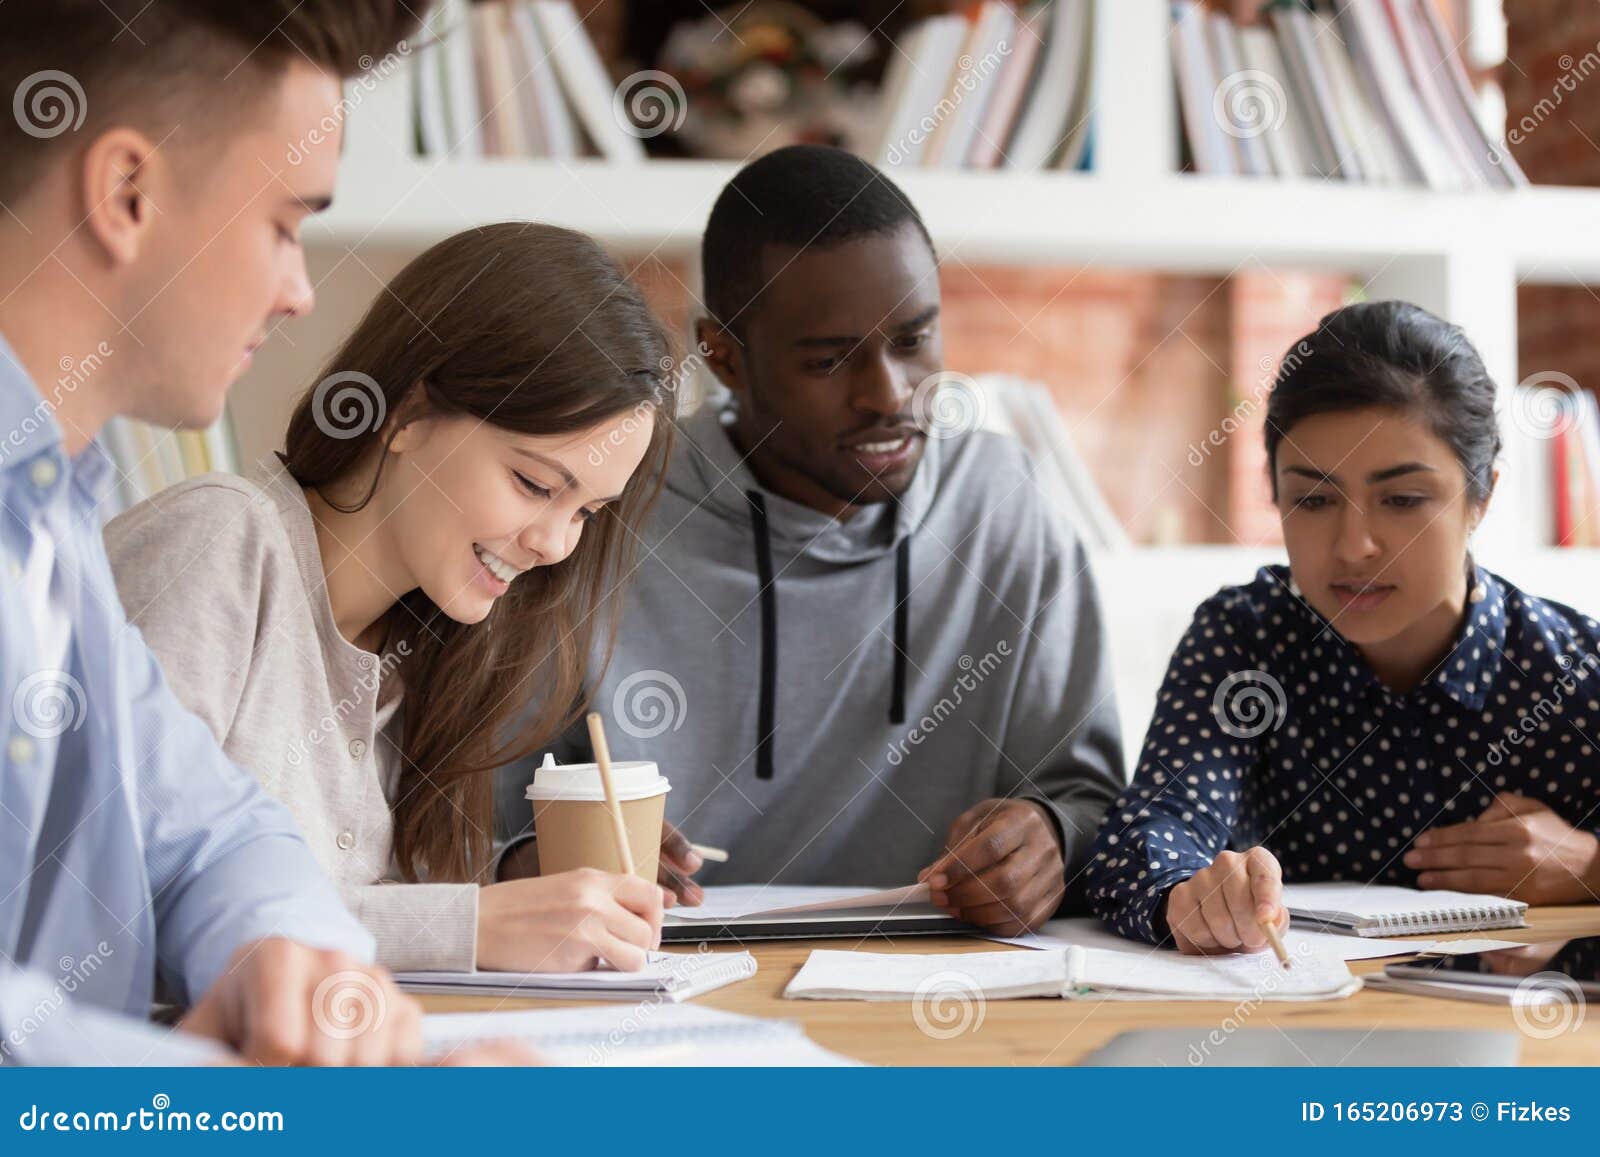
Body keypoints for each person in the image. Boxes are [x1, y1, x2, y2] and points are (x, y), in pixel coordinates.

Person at [500, 145, 1124, 937]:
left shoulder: (1004, 505)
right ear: (723, 355)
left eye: (914, 339)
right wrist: (547, 857)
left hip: (941, 982)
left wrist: (1050, 838)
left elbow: (1094, 800)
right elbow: (469, 830)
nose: (890, 395)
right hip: (658, 977)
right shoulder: (602, 511)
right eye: (830, 360)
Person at [0, 0, 444, 1064]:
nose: (299, 291)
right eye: (286, 224)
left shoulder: (53, 503)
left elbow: (217, 829)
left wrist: (280, 956)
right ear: (126, 192)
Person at [105, 224, 676, 975]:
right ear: (409, 412)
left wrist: (520, 882)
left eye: (585, 513)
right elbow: (122, 897)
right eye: (536, 485)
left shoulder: (429, 648)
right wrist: (466, 924)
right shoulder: (221, 540)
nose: (555, 543)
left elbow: (355, 908)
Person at [1086, 300, 1600, 954]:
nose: (1354, 544)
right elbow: (1149, 829)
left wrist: (1589, 866)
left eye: (1402, 499)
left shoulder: (1574, 669)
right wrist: (1188, 891)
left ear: (1482, 498)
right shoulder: (1245, 641)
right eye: (1315, 499)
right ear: (1275, 496)